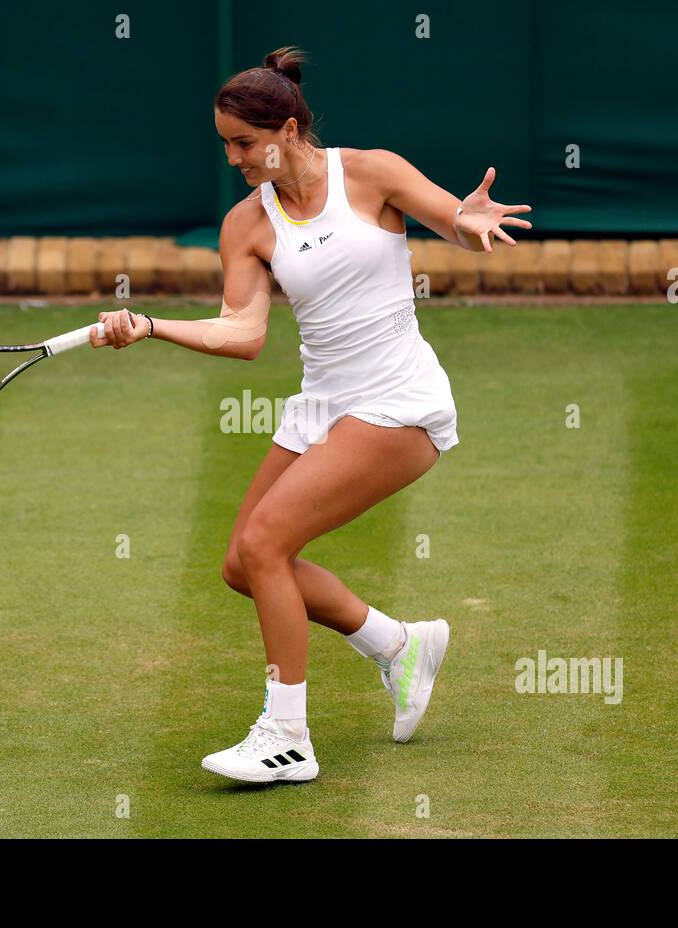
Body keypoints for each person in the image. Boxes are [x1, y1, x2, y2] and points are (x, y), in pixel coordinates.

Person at [90, 46, 532, 783]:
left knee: (265, 543)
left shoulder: (370, 173)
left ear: (288, 129)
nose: (233, 158)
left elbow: (452, 219)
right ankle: (399, 646)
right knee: (243, 564)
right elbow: (242, 333)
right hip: (321, 406)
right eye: (225, 144)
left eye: (242, 142)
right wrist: (153, 327)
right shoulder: (246, 226)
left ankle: (286, 735)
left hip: (397, 401)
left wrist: (467, 219)